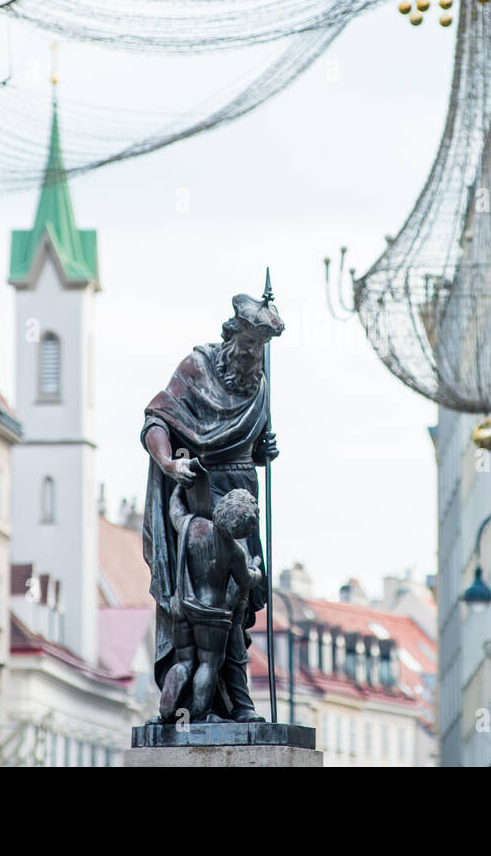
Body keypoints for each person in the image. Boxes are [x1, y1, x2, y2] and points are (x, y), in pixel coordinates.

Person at [142, 291, 284, 723]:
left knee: (239, 604)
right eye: (246, 346)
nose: (250, 357)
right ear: (230, 335)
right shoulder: (196, 368)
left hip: (244, 497)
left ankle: (234, 704)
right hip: (205, 493)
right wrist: (167, 461)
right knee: (225, 597)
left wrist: (265, 450)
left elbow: (253, 444)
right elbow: (156, 418)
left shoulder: (258, 382)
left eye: (259, 350)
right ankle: (228, 706)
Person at [158, 487, 264, 722]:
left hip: (183, 604)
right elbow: (246, 580)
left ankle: (166, 708)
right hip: (212, 614)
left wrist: (176, 490)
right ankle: (199, 714)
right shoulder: (234, 551)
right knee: (208, 664)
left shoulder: (194, 526)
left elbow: (175, 511)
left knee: (184, 660)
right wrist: (256, 569)